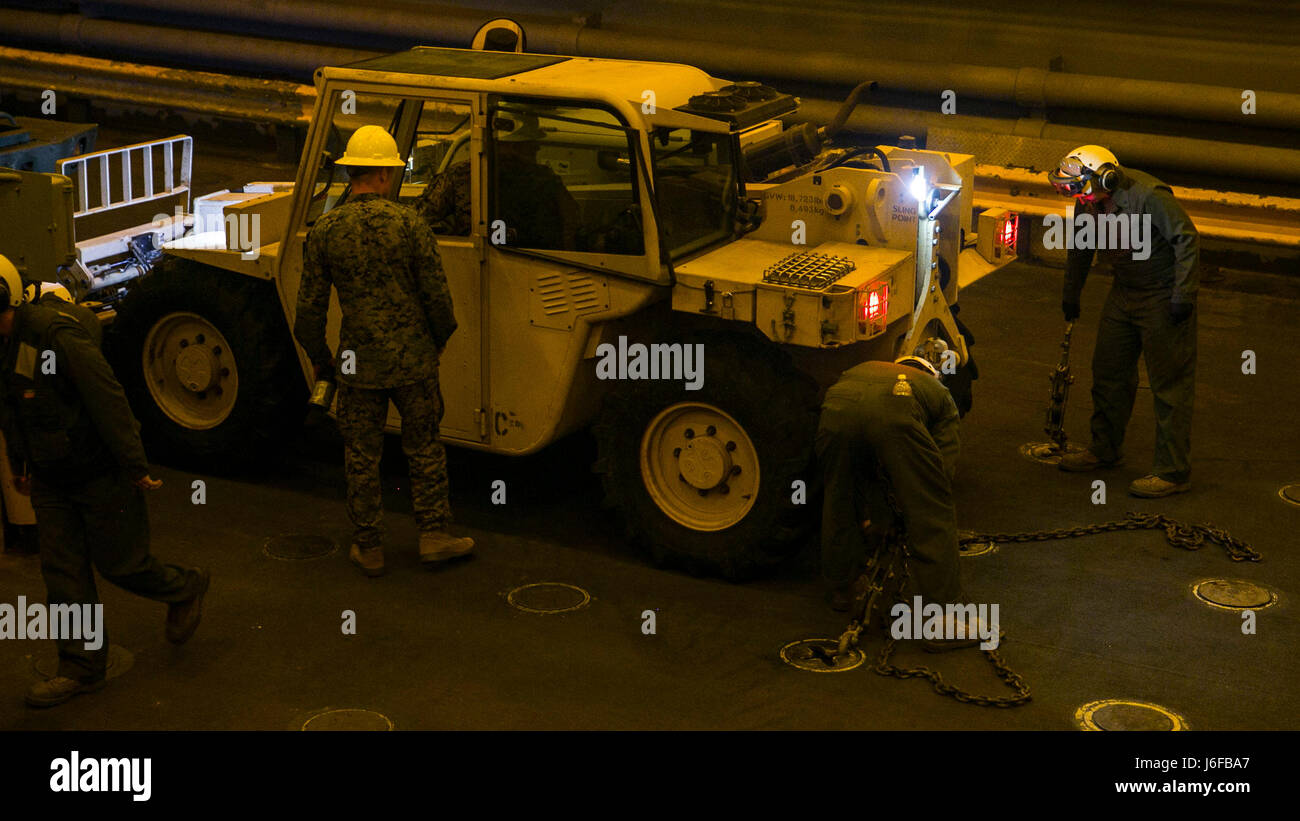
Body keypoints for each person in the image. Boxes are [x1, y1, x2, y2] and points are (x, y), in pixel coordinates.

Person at [0, 255, 209, 707]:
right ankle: (81, 667)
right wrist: (21, 462)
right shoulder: (3, 345)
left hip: (99, 471)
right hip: (53, 478)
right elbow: (12, 406)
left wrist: (135, 466)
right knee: (63, 575)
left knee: (122, 564)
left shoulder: (56, 337)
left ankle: (185, 586)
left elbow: (107, 398)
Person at [294, 125, 473, 577]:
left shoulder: (326, 230)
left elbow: (308, 314)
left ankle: (369, 546)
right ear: (386, 174)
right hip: (414, 359)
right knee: (425, 447)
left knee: (361, 453)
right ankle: (433, 535)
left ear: (352, 171)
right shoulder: (410, 224)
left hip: (358, 363)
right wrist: (437, 342)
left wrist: (322, 359)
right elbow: (438, 298)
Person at [1049, 145, 1199, 497]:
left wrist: (1183, 295)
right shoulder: (1088, 201)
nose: (1075, 196)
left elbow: (1186, 239)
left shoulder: (1150, 196)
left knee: (1169, 385)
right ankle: (1104, 449)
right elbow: (1081, 246)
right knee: (1109, 372)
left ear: (1107, 177)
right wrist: (1072, 292)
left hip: (1161, 295)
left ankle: (1173, 471)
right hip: (1124, 290)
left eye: (1078, 187)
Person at [816, 356, 978, 650]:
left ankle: (842, 588)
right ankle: (941, 621)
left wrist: (879, 514)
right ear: (932, 375)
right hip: (895, 408)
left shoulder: (862, 367)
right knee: (933, 509)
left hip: (838, 403)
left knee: (839, 497)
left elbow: (869, 465)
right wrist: (909, 508)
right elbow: (940, 474)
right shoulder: (939, 395)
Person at [415, 112, 578, 249]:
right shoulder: (461, 176)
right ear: (512, 146)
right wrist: (462, 230)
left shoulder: (543, 180)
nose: (537, 148)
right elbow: (419, 222)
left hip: (533, 262)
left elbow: (568, 225)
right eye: (530, 143)